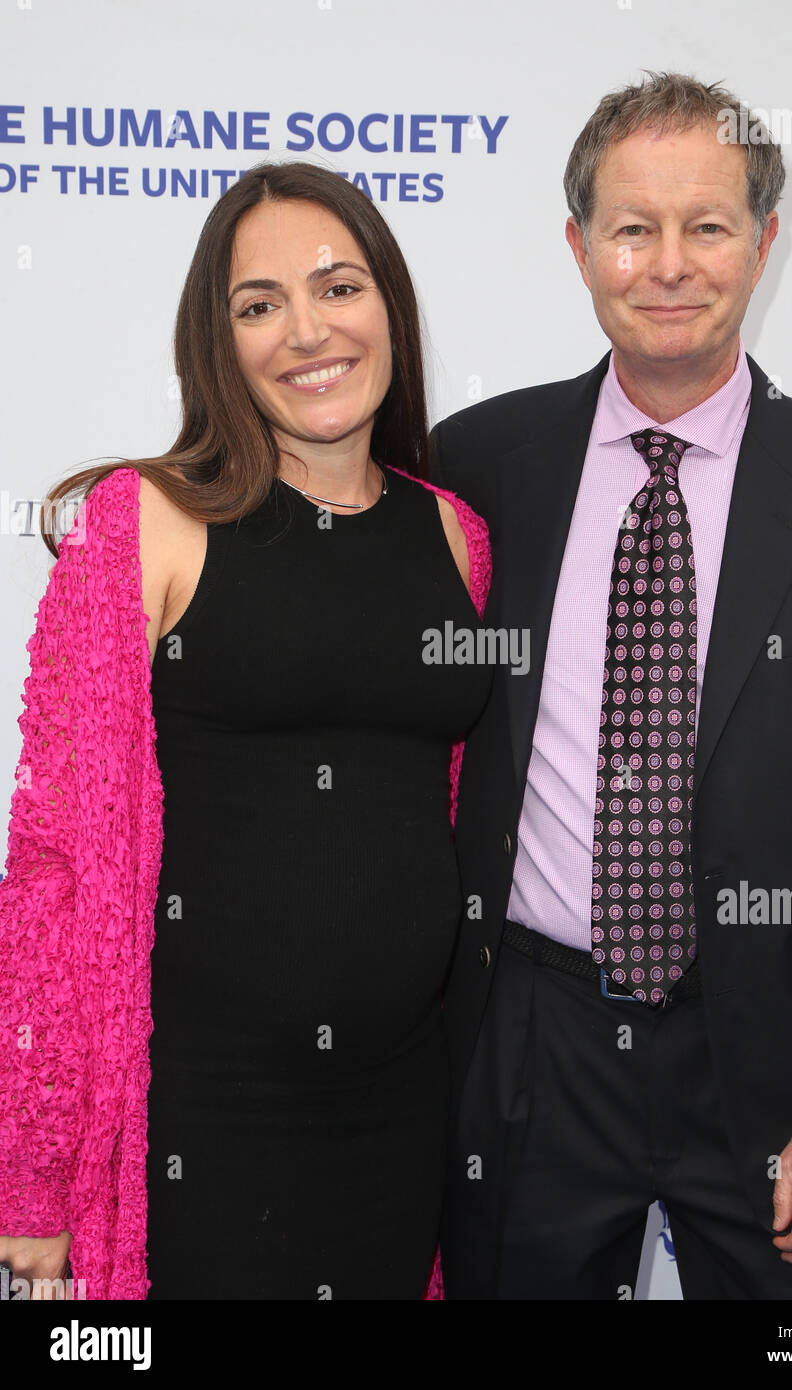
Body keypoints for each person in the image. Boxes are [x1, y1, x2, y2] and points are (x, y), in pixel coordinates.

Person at [429, 71, 792, 1299]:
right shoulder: (475, 466)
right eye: (631, 227)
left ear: (764, 242)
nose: (668, 263)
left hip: (778, 1060)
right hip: (532, 1051)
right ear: (578, 246)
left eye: (707, 225)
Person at [0, 160, 491, 1300]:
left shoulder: (457, 538)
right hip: (195, 1117)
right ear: (217, 342)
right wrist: (31, 1177)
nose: (306, 330)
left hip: (399, 1115)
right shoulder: (145, 522)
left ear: (389, 308)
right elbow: (57, 868)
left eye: (338, 287)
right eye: (258, 304)